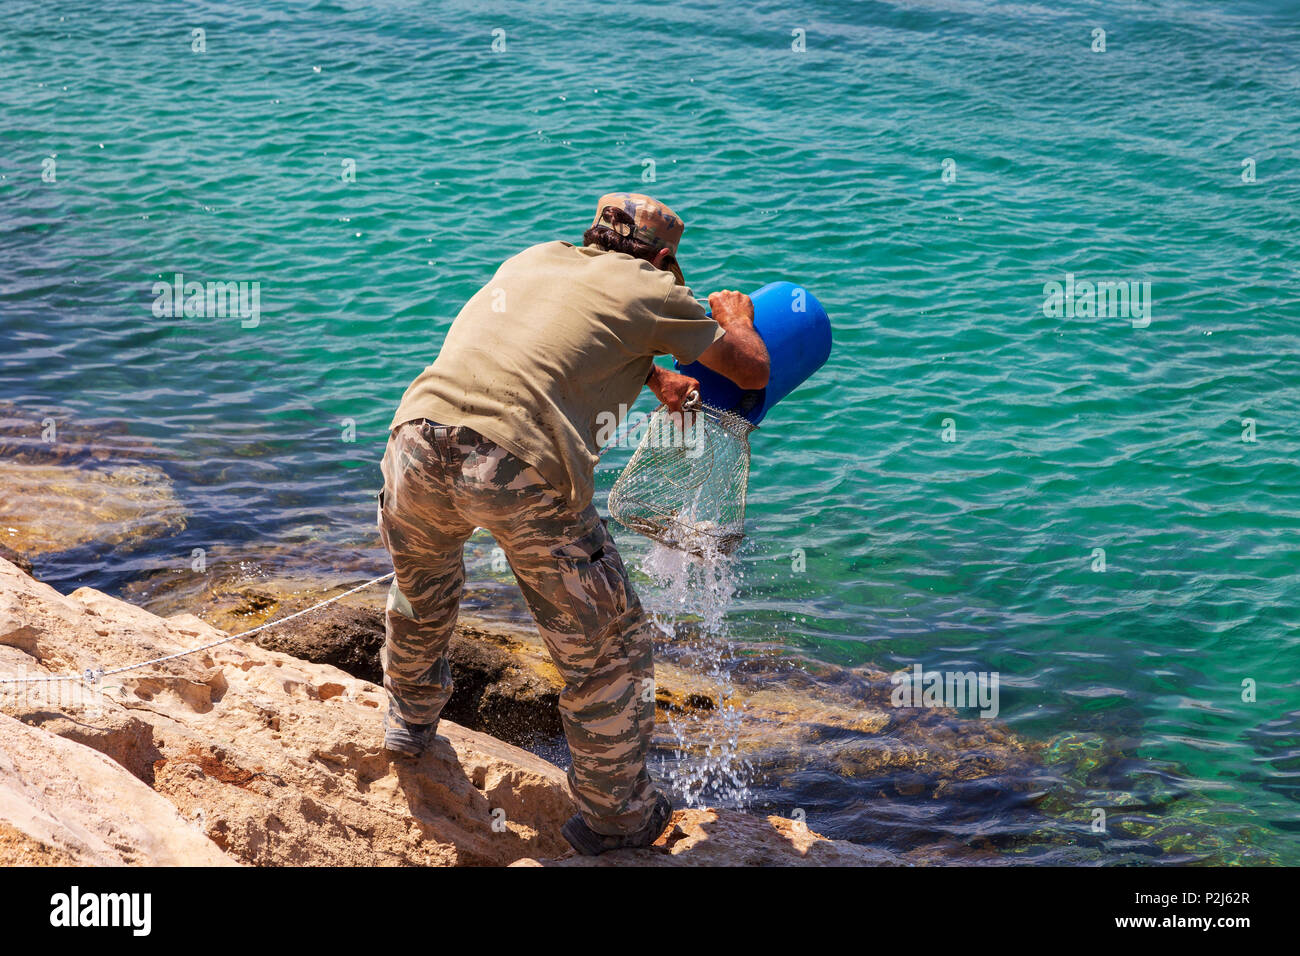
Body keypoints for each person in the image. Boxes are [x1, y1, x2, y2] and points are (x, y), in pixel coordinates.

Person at [377, 192, 770, 854]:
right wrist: (733, 316)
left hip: (413, 440)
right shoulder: (655, 287)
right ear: (666, 257)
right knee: (608, 648)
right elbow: (752, 368)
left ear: (592, 234)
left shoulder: (537, 258)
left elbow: (564, 336)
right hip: (519, 466)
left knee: (423, 590)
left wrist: (654, 381)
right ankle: (617, 820)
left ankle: (408, 724)